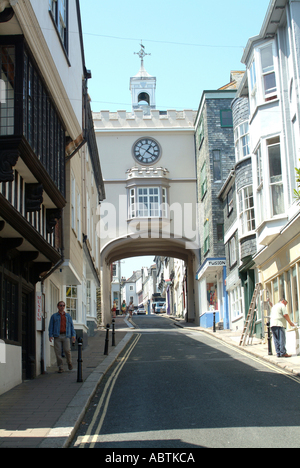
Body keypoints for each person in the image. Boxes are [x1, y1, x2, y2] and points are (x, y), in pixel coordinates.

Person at [49, 301, 76, 373]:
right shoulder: (54, 316)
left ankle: (69, 363)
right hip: (57, 336)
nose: (62, 307)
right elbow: (51, 326)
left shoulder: (68, 316)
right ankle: (60, 367)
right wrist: (50, 335)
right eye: (60, 305)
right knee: (58, 352)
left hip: (66, 335)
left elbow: (71, 327)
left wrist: (73, 336)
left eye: (63, 305)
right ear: (58, 306)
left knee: (67, 350)